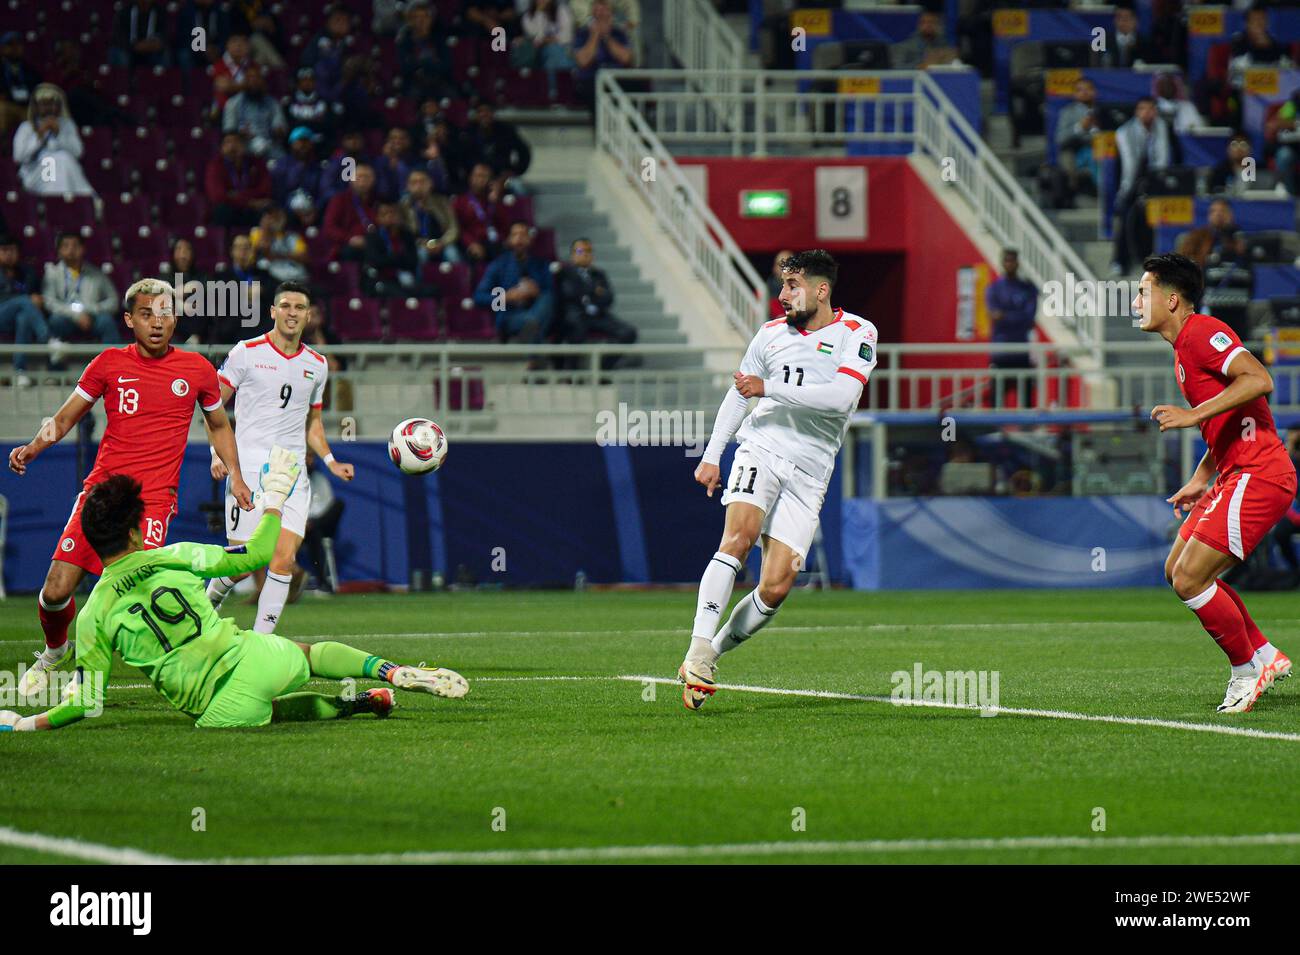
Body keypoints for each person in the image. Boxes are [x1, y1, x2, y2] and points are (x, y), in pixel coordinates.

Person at [0, 467, 468, 732]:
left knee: (276, 713)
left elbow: (87, 703)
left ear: (91, 543)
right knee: (308, 653)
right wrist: (274, 498)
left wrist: (20, 725)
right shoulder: (175, 555)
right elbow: (260, 553)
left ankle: (354, 705)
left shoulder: (94, 613)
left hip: (222, 705)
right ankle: (389, 669)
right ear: (136, 529)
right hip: (254, 656)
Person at [6, 279, 251, 698]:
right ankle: (53, 653)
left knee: (121, 592)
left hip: (151, 503)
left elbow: (217, 424)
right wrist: (34, 446)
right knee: (54, 592)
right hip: (100, 497)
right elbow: (65, 417)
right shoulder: (107, 364)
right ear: (128, 320)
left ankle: (90, 679)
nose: (156, 323)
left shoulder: (197, 370)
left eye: (165, 314)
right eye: (146, 314)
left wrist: (236, 474)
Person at [678, 250, 876, 710]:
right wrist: (712, 456)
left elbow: (841, 396)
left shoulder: (858, 332)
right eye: (783, 285)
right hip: (762, 448)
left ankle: (711, 655)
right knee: (739, 537)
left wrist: (768, 388)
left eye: (793, 285)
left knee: (777, 585)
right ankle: (698, 646)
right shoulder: (769, 335)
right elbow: (736, 395)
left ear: (821, 290)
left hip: (811, 469)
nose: (783, 295)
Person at [1141, 253, 1294, 711]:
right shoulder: (1183, 347)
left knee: (1190, 578)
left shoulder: (1203, 332)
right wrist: (1199, 477)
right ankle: (1264, 653)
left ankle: (1246, 671)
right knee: (1176, 571)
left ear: (1171, 299)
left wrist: (1191, 415)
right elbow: (1230, 417)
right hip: (1235, 472)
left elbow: (1259, 379)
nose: (1135, 300)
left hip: (1260, 473)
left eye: (1143, 291)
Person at [205, 281, 356, 634]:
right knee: (241, 564)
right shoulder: (247, 352)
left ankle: (261, 643)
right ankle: (201, 615)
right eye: (285, 306)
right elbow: (213, 406)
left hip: (291, 472)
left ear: (308, 315)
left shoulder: (317, 365)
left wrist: (331, 461)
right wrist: (218, 453)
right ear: (273, 311)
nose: (292, 313)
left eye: (299, 307)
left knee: (283, 561)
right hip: (249, 466)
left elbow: (313, 423)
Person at [1112, 97, 1179, 275]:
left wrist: (1158, 184)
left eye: (1151, 109)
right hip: (1131, 179)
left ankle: (1153, 259)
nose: (1147, 113)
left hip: (1154, 179)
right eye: (1143, 109)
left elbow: (1162, 160)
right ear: (1136, 112)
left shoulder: (1162, 127)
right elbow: (1129, 164)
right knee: (1128, 216)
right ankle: (1120, 261)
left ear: (1155, 111)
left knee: (1155, 216)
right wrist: (1127, 191)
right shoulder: (1124, 132)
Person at [556, 237, 636, 365]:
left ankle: (603, 369)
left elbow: (608, 298)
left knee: (628, 332)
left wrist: (593, 295)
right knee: (576, 329)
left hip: (598, 314)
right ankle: (570, 373)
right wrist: (594, 290)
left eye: (589, 251)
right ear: (572, 255)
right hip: (576, 314)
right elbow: (569, 294)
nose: (586, 254)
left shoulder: (599, 274)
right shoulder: (565, 272)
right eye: (581, 251)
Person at [474, 220, 553, 343]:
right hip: (510, 316)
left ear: (529, 239)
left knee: (548, 297)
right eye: (515, 235)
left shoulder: (541, 265)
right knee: (534, 323)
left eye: (523, 235)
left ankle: (532, 323)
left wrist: (536, 291)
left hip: (536, 311)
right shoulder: (499, 265)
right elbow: (479, 296)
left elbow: (550, 293)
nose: (519, 239)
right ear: (509, 240)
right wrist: (505, 297)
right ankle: (532, 332)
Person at [13, 84, 95, 197]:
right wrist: (39, 136)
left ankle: (68, 201)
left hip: (65, 169)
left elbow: (78, 152)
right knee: (53, 160)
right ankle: (70, 200)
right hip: (35, 172)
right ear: (36, 107)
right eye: (44, 104)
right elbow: (19, 157)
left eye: (52, 104)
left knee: (62, 159)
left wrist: (58, 134)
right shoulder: (26, 127)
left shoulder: (67, 125)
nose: (48, 108)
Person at [42, 232, 119, 345]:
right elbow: (49, 302)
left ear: (83, 249)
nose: (71, 250)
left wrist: (92, 310)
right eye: (66, 246)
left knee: (107, 321)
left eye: (75, 246)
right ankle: (56, 360)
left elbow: (113, 301)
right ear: (59, 251)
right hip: (65, 317)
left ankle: (113, 362)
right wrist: (76, 316)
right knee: (55, 321)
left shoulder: (97, 274)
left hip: (92, 316)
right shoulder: (52, 274)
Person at [985, 248, 1038, 407]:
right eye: (1007, 260)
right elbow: (994, 315)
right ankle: (996, 431)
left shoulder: (1027, 288)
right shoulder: (994, 288)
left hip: (1021, 353)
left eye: (1013, 260)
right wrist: (1017, 315)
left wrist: (1005, 316)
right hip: (1000, 353)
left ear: (1018, 263)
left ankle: (1027, 430)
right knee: (996, 401)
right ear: (1002, 262)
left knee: (1026, 402)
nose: (1010, 264)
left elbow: (1028, 317)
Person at [0, 234, 47, 384]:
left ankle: (19, 370)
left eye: (12, 250)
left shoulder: (27, 272)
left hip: (19, 317)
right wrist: (28, 300)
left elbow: (37, 297)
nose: (8, 254)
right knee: (24, 301)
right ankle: (47, 338)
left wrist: (38, 301)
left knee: (24, 318)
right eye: (4, 250)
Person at [205, 131, 273, 228]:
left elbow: (265, 189)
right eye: (228, 142)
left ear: (244, 146)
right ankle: (224, 241)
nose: (232, 146)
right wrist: (249, 202)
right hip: (232, 209)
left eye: (236, 141)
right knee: (222, 210)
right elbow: (217, 195)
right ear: (221, 148)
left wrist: (235, 195)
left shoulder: (257, 163)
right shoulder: (215, 166)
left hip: (253, 209)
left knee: (269, 210)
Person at [572, 0, 633, 104]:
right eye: (597, 11)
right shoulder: (582, 34)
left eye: (604, 10)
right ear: (592, 14)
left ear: (611, 13)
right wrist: (595, 36)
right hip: (591, 80)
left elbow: (626, 58)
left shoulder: (619, 34)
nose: (601, 14)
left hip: (616, 79)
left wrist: (607, 37)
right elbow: (583, 61)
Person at [222, 63, 287, 159]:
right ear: (244, 80)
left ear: (262, 81)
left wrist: (278, 131)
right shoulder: (233, 103)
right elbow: (228, 132)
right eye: (250, 77)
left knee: (283, 159)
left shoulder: (273, 103)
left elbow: (280, 127)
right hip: (243, 149)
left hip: (269, 147)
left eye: (257, 77)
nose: (253, 81)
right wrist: (240, 134)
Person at [303, 449, 345, 592]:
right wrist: (304, 522)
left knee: (339, 504)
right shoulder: (291, 481)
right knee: (313, 533)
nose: (310, 460)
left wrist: (312, 521)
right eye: (307, 456)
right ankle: (322, 582)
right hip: (296, 527)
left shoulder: (320, 479)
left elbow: (327, 504)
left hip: (318, 524)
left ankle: (322, 584)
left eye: (312, 457)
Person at [400, 167, 459, 265]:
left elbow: (453, 228)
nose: (418, 186)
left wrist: (442, 242)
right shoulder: (404, 206)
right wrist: (421, 243)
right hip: (418, 245)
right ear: (408, 186)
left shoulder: (442, 202)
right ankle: (419, 280)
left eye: (422, 182)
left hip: (442, 242)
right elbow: (404, 232)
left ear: (430, 183)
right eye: (414, 182)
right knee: (420, 255)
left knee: (452, 254)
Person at [322, 162, 379, 260]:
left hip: (374, 243)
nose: (363, 181)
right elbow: (329, 227)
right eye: (359, 177)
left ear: (374, 179)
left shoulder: (379, 201)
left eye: (367, 177)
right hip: (348, 245)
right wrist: (350, 239)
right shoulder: (339, 200)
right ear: (351, 180)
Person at [453, 162, 507, 263]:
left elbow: (504, 226)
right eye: (477, 175)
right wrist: (470, 243)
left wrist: (496, 203)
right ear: (470, 178)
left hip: (494, 243)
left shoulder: (494, 201)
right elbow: (458, 228)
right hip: (472, 244)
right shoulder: (460, 202)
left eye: (484, 176)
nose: (480, 180)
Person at [249, 206, 310, 284]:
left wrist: (280, 255)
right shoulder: (256, 232)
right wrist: (268, 231)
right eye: (270, 217)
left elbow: (304, 257)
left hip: (295, 277)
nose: (273, 221)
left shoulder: (292, 236)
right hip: (270, 278)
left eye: (277, 217)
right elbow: (261, 252)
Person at [0, 31, 41, 134]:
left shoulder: (30, 70)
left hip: (27, 108)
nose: (15, 48)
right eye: (10, 44)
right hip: (8, 107)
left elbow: (38, 90)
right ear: (2, 48)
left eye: (18, 44)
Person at [891, 9, 959, 70]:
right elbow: (897, 67)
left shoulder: (942, 43)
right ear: (919, 25)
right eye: (925, 22)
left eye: (932, 22)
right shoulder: (906, 45)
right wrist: (919, 66)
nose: (929, 25)